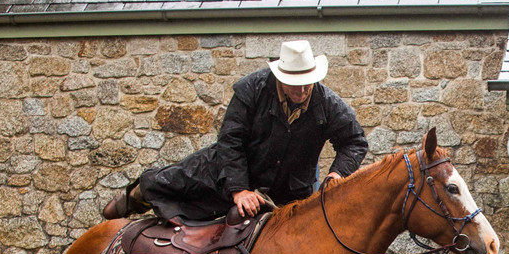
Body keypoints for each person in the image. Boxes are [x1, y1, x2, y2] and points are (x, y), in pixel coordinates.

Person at [103, 40, 369, 222]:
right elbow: (231, 140)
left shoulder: (328, 103)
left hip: (289, 190)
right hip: (232, 171)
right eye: (294, 83)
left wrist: (337, 173)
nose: (302, 90)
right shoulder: (251, 89)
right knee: (171, 182)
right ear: (280, 77)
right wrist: (240, 189)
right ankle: (135, 197)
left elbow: (355, 141)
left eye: (307, 83)